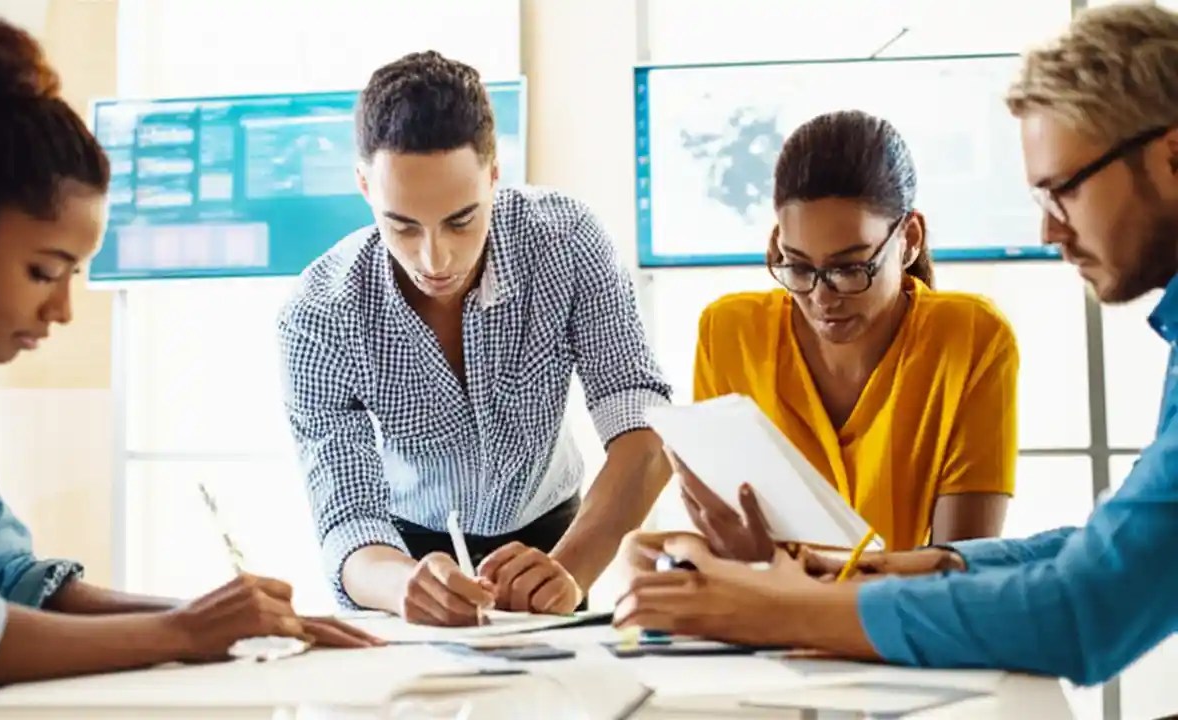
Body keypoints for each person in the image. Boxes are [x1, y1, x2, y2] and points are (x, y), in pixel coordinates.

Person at [614, 3, 1178, 686]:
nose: (1049, 234)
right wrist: (898, 566)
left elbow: (1085, 610)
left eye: (1062, 193)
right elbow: (1119, 551)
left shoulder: (968, 336)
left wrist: (785, 610)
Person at [0, 21, 378, 697]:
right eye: (43, 271)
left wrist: (230, 619)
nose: (63, 310)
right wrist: (180, 635)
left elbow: (12, 581)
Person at [278, 51, 671, 625]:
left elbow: (645, 433)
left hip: (556, 536)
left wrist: (571, 569)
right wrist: (399, 585)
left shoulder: (567, 240)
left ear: (493, 174)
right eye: (402, 225)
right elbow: (348, 521)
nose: (433, 258)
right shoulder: (319, 314)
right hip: (404, 556)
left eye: (461, 220)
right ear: (365, 186)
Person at [678, 110, 1015, 563]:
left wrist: (787, 571)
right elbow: (727, 552)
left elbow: (958, 569)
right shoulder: (728, 333)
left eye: (850, 268)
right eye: (797, 266)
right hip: (762, 625)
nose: (822, 297)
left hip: (903, 628)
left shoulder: (970, 338)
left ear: (909, 239)